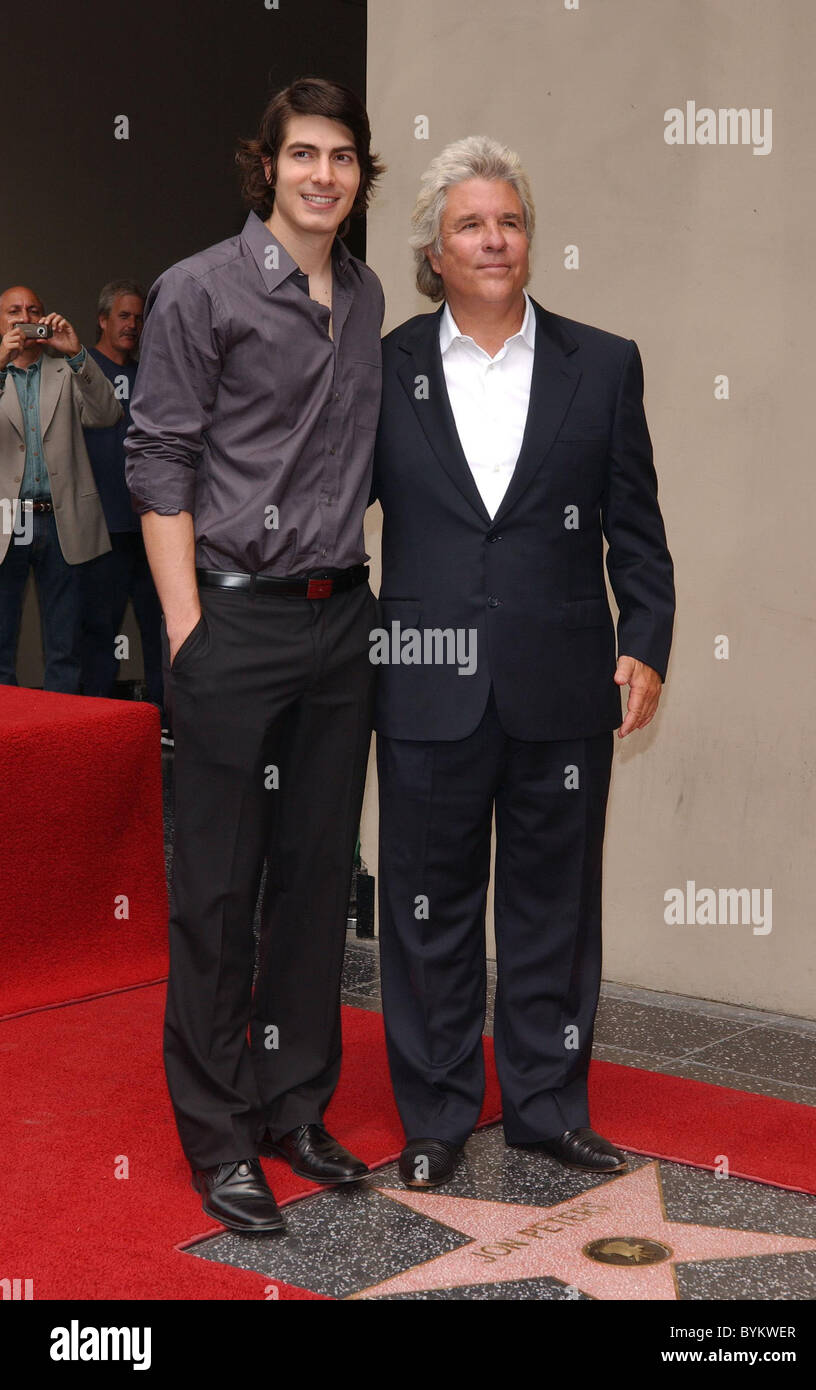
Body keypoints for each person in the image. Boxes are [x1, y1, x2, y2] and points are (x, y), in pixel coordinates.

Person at [371, 136, 675, 1189]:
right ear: (434, 250)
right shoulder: (384, 366)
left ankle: (547, 1109)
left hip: (563, 683)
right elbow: (323, 515)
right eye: (471, 223)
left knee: (554, 907)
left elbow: (636, 525)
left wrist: (646, 639)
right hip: (422, 677)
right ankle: (437, 1115)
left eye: (509, 221)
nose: (494, 239)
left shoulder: (605, 362)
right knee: (427, 908)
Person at [124, 78, 385, 1233]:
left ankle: (292, 1104)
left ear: (360, 176)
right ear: (266, 167)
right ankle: (221, 1135)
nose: (322, 174)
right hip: (233, 618)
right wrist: (187, 629)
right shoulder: (198, 288)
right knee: (220, 893)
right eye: (302, 156)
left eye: (341, 157)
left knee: (319, 882)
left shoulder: (369, 297)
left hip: (343, 621)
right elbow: (160, 457)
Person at [0, 288, 121, 692]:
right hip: (6, 520)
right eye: (13, 311)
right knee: (1, 644)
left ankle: (59, 744)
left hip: (60, 517)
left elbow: (108, 413)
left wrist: (76, 354)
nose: (24, 316)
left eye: (33, 310)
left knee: (65, 644)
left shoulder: (64, 370)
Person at [79, 280, 165, 722]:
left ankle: (162, 719)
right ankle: (94, 723)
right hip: (101, 527)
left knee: (160, 627)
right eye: (123, 316)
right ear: (102, 320)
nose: (132, 325)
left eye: (138, 317)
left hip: (150, 525)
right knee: (99, 630)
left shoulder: (150, 372)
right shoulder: (79, 370)